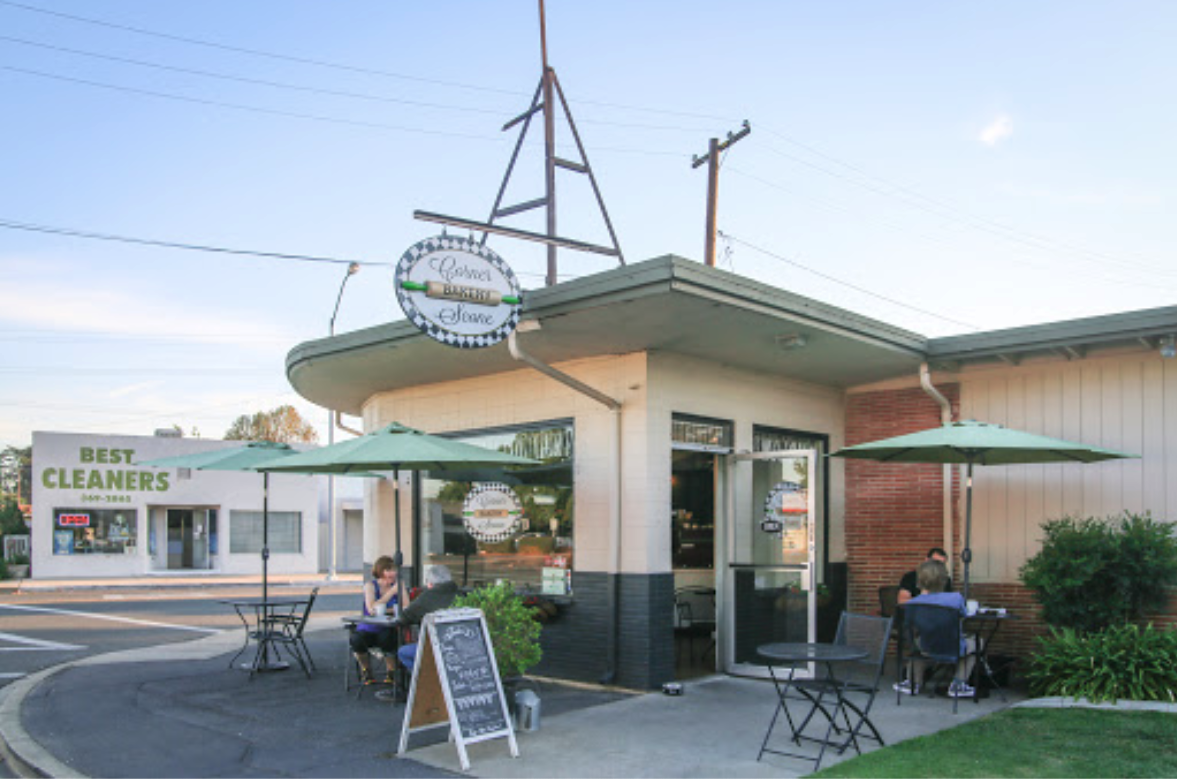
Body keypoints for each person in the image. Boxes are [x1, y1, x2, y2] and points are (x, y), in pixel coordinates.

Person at [894, 559, 977, 698]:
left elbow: (910, 626)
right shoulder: (955, 598)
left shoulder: (913, 603)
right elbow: (963, 615)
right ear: (944, 579)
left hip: (926, 646)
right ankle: (958, 683)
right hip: (953, 646)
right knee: (976, 643)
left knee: (918, 643)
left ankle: (913, 682)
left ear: (920, 580)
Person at [395, 564, 459, 671]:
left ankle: (425, 678)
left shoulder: (427, 597)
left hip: (435, 648)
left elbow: (404, 618)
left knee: (403, 652)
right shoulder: (460, 594)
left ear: (430, 583)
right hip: (460, 648)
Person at [349, 555, 399, 684]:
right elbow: (371, 609)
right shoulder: (370, 586)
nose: (392, 573)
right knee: (357, 640)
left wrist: (384, 609)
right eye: (388, 570)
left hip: (388, 626)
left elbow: (406, 607)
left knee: (388, 638)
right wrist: (391, 593)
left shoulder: (399, 586)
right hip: (369, 627)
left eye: (394, 570)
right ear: (380, 571)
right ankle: (366, 670)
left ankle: (391, 671)